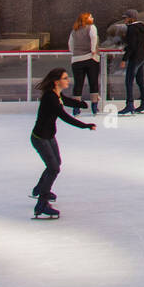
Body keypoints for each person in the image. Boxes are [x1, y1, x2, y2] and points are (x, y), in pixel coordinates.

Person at [29, 67, 96, 219]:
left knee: (56, 163)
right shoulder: (50, 98)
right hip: (40, 138)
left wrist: (81, 104)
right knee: (54, 168)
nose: (68, 80)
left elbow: (65, 101)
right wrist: (85, 125)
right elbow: (64, 116)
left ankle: (40, 188)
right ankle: (42, 203)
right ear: (56, 81)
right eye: (65, 78)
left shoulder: (56, 94)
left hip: (49, 136)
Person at [68, 12, 101, 116]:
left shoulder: (74, 30)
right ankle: (94, 107)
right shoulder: (91, 27)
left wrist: (74, 52)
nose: (93, 17)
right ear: (86, 19)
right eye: (91, 16)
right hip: (90, 59)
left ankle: (76, 108)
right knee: (93, 82)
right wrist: (92, 50)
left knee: (78, 84)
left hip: (77, 60)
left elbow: (70, 43)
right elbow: (93, 38)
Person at [118, 9, 144, 114]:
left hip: (135, 58)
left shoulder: (131, 29)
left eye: (126, 18)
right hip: (142, 56)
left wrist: (124, 59)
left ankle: (130, 105)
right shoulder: (141, 28)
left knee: (129, 81)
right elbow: (138, 43)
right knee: (140, 81)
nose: (124, 20)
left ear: (131, 18)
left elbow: (132, 45)